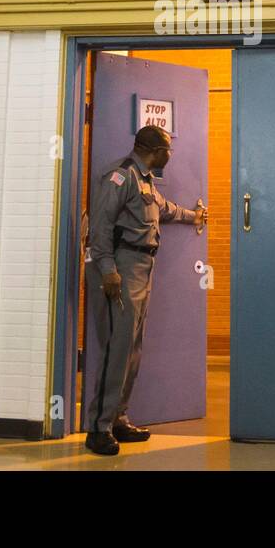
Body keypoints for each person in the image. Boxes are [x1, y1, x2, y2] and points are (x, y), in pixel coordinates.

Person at [83, 124, 207, 455]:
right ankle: (99, 427)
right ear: (153, 150)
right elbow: (100, 226)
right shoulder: (120, 177)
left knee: (133, 350)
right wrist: (108, 270)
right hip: (120, 270)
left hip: (141, 269)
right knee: (117, 348)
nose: (171, 154)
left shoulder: (145, 181)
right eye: (168, 149)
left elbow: (163, 210)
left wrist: (192, 216)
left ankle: (118, 418)